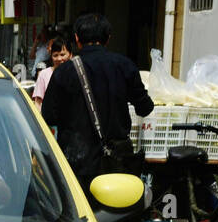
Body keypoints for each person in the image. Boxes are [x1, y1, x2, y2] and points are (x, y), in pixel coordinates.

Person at [40, 12, 153, 187]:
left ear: (77, 39)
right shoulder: (125, 65)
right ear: (108, 38)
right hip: (117, 163)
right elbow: (145, 108)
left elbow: (48, 116)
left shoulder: (64, 72)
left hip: (77, 164)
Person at [31, 37, 71, 111]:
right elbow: (38, 103)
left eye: (62, 54)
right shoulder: (44, 74)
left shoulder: (76, 73)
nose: (59, 59)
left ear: (70, 54)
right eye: (55, 55)